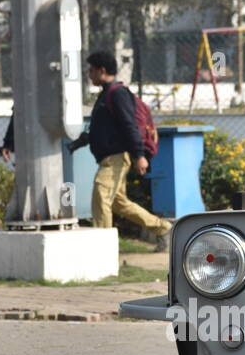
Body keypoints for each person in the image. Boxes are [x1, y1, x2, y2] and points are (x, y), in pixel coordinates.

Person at [69, 50, 172, 251]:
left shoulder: (117, 94)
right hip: (109, 157)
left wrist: (139, 155)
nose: (89, 74)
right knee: (118, 203)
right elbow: (99, 129)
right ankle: (162, 228)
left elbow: (129, 125)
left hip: (116, 158)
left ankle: (102, 250)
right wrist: (75, 145)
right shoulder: (105, 95)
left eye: (91, 70)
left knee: (101, 195)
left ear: (102, 70)